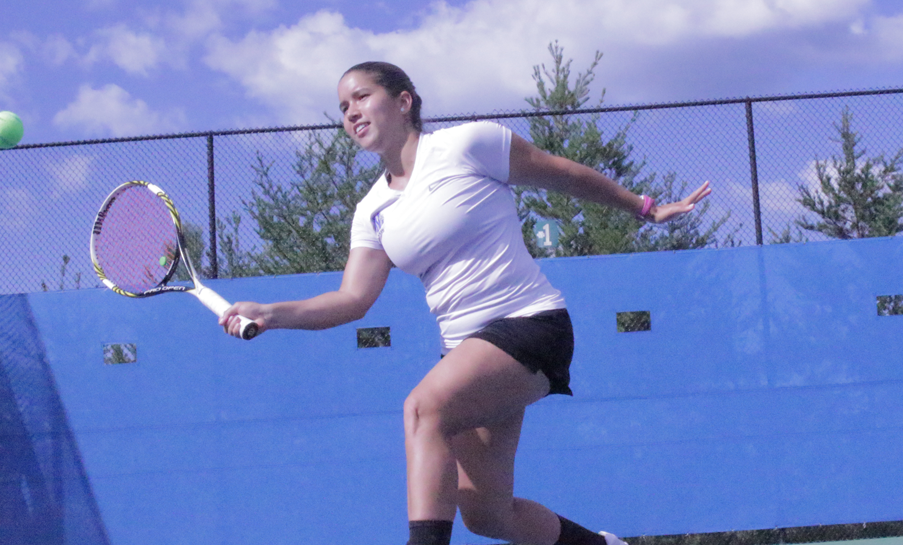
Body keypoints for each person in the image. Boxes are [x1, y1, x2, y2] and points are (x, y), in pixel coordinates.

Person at [220, 61, 711, 545]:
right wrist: (270, 314)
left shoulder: (467, 144)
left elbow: (564, 175)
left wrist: (644, 207)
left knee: (422, 408)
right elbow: (351, 300)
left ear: (404, 101)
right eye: (343, 106)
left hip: (530, 323)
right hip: (466, 351)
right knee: (487, 516)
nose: (351, 112)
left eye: (362, 96)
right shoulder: (372, 210)